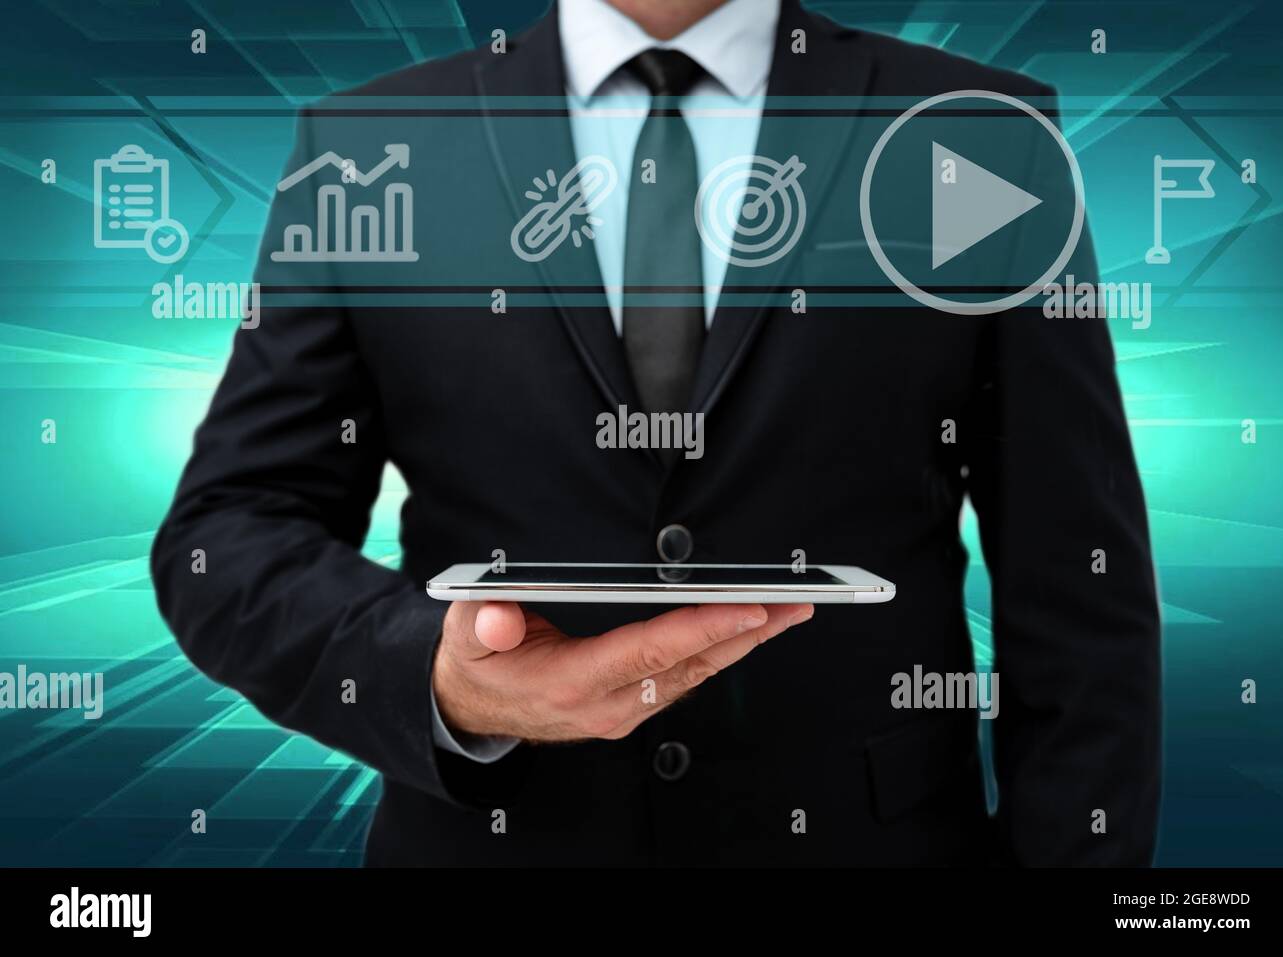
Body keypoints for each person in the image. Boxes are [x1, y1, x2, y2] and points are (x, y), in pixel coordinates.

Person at [152, 0, 1162, 866]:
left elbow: (1078, 583)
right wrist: (435, 677)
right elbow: (229, 533)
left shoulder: (976, 131)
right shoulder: (373, 146)